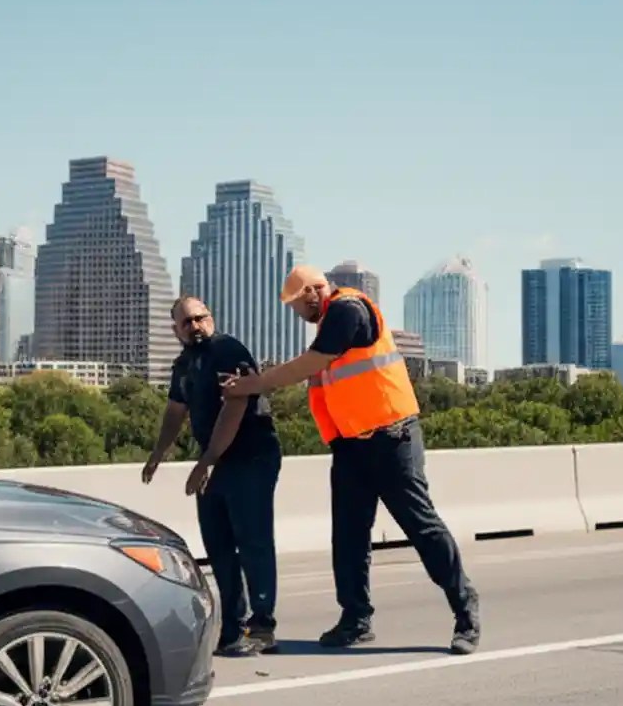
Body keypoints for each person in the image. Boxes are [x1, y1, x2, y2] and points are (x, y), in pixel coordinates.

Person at [221, 265, 481, 655]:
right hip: (351, 448)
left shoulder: (349, 310)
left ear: (313, 292)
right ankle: (355, 620)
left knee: (422, 528)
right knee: (349, 538)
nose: (297, 313)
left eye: (297, 305)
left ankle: (465, 612)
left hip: (393, 440)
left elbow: (308, 364)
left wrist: (254, 384)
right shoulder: (330, 322)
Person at [143, 296, 282, 657]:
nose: (195, 326)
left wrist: (206, 462)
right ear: (176, 330)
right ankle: (234, 628)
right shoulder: (184, 364)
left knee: (252, 541)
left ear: (211, 319)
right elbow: (176, 410)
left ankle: (262, 625)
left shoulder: (227, 350)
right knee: (218, 545)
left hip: (249, 455)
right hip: (215, 459)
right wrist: (159, 453)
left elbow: (235, 406)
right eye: (186, 322)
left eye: (200, 318)